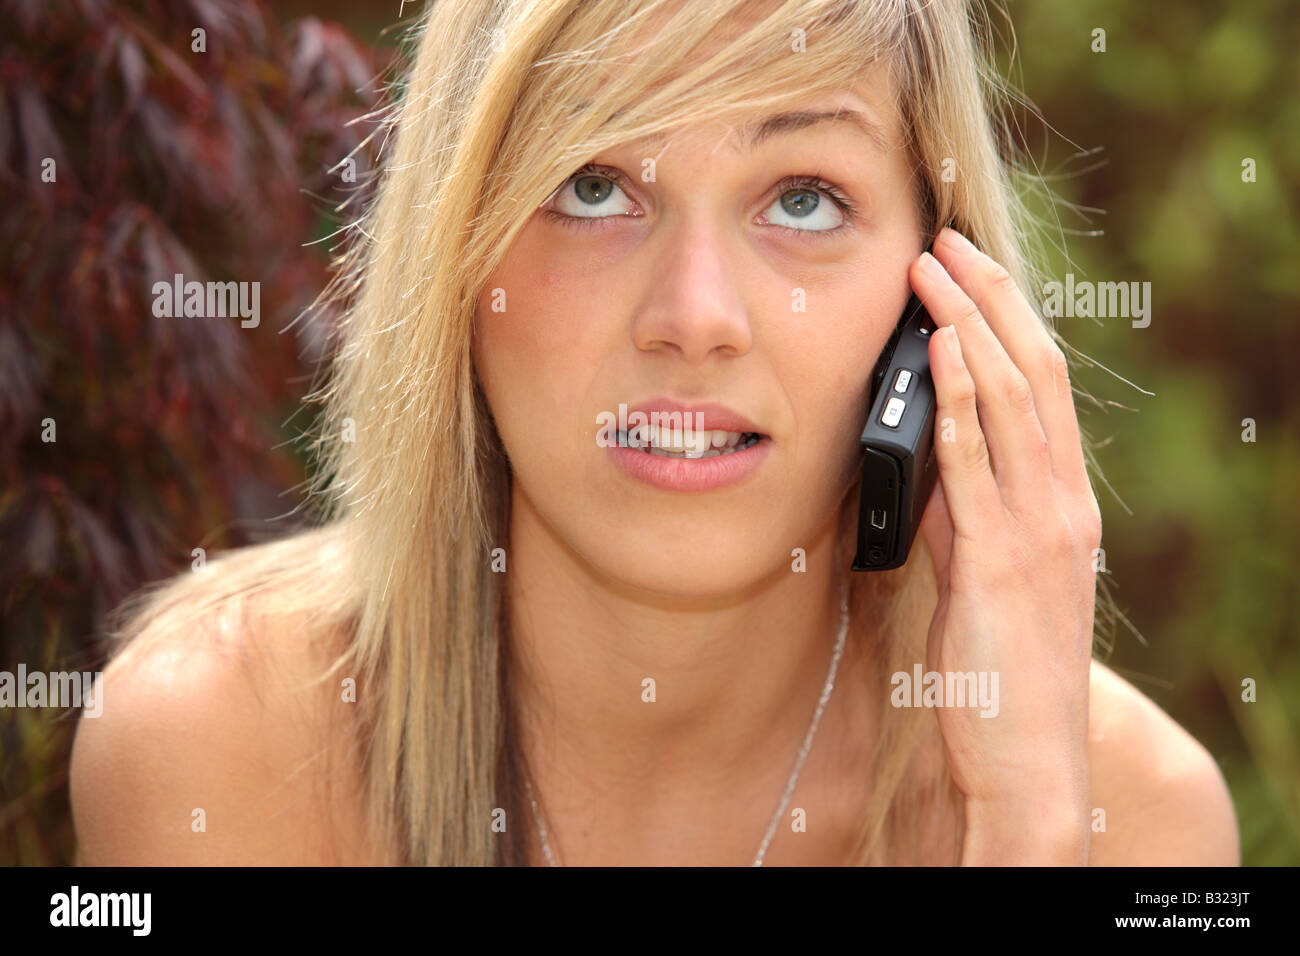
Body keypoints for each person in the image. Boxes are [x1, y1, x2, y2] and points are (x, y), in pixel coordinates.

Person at [70, 0, 1238, 866]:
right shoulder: (214, 751)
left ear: (937, 297)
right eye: (592, 186)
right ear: (456, 262)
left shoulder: (1132, 822)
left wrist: (1027, 826)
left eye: (801, 199)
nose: (693, 318)